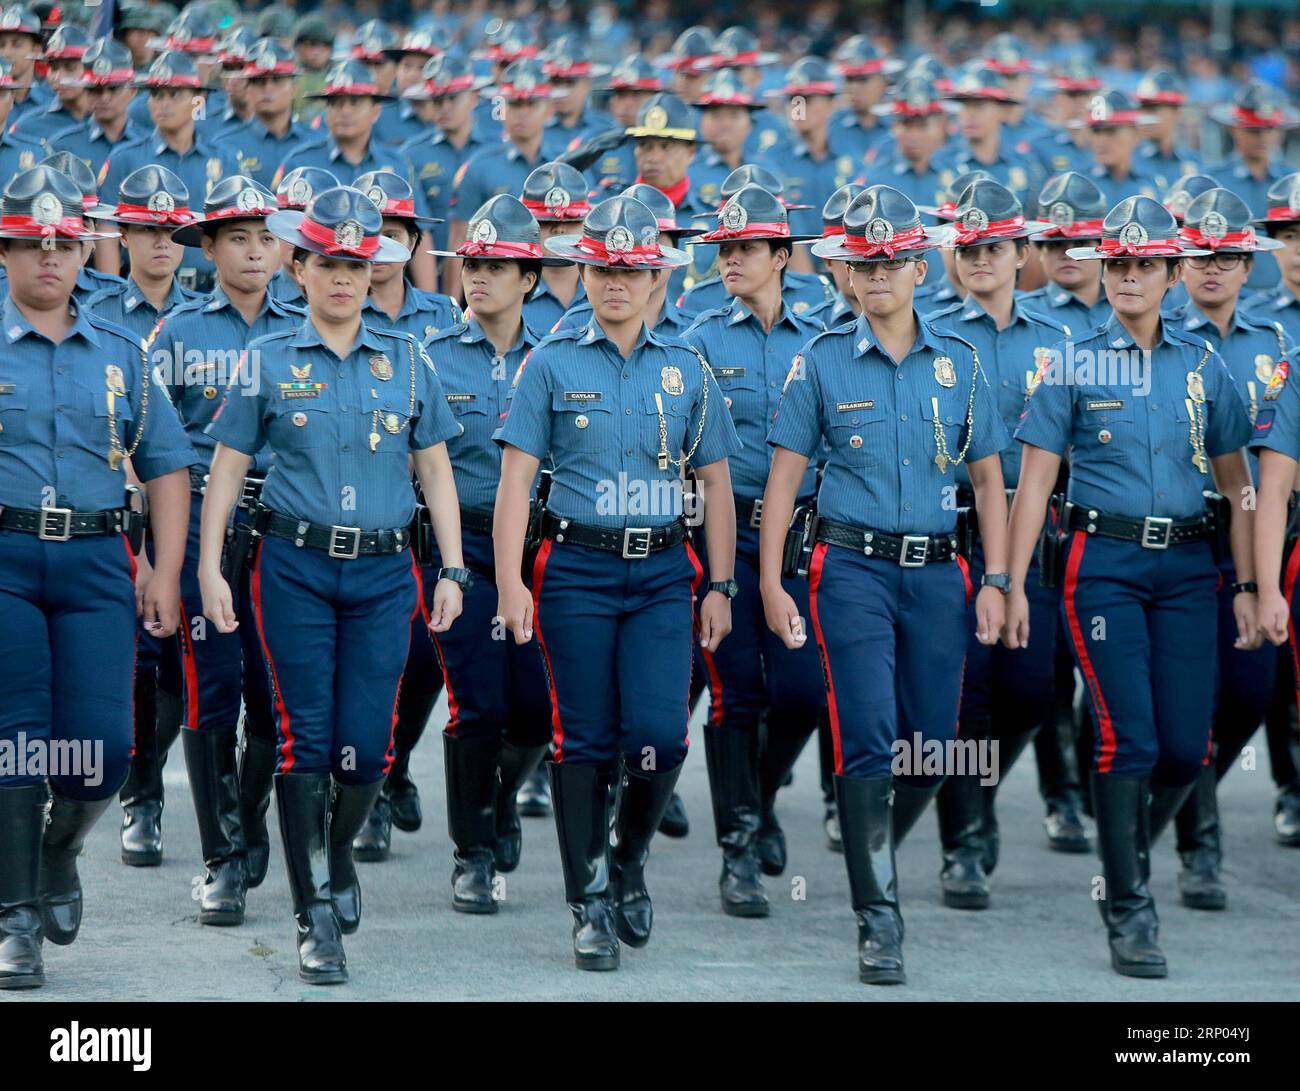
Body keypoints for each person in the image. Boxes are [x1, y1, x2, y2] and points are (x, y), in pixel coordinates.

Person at [200, 185, 465, 984]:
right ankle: (312, 907)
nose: (344, 276)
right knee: (303, 737)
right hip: (296, 567)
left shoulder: (410, 359)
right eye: (328, 262)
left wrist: (451, 567)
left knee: (367, 748)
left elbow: (437, 471)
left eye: (358, 262)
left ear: (375, 267)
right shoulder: (268, 359)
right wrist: (212, 567)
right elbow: (227, 467)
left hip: (387, 570)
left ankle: (337, 850)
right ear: (300, 268)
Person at [761, 184, 1010, 984]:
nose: (878, 274)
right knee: (867, 731)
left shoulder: (961, 362)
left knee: (933, 746)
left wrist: (999, 578)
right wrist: (770, 580)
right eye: (863, 262)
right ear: (847, 271)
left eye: (893, 260)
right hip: (851, 569)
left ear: (919, 263)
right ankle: (879, 918)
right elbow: (783, 481)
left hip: (939, 571)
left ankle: (877, 861)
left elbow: (991, 482)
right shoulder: (822, 359)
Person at [1007, 195, 1255, 977]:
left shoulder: (1203, 363)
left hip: (1187, 567)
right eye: (1118, 264)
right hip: (1102, 564)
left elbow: (1237, 479)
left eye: (1146, 264)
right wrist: (1007, 583)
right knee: (1130, 737)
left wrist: (1249, 583)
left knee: (1188, 746)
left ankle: (1123, 855)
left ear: (1174, 273)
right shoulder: (1072, 362)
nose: (1129, 277)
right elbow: (1032, 487)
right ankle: (1130, 908)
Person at [494, 194, 740, 971]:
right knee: (586, 738)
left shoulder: (687, 366)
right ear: (586, 271)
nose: (615, 284)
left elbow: (718, 484)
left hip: (666, 569)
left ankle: (629, 855)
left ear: (657, 279)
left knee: (660, 736)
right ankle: (588, 901)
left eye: (631, 271)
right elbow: (513, 484)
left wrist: (722, 584)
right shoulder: (551, 363)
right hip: (577, 570)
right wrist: (508, 583)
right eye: (602, 268)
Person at [0, 165, 194, 991]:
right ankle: (13, 920)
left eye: (63, 245)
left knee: (103, 752)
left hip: (95, 561)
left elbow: (168, 466)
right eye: (29, 244)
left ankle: (58, 850)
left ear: (86, 251)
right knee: (15, 736)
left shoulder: (122, 351)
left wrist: (165, 567)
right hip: (3, 559)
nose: (48, 258)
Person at [157, 174, 305, 918]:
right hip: (200, 525)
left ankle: (249, 826)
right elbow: (147, 441)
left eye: (267, 237)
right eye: (237, 238)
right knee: (210, 680)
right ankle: (221, 854)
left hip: (284, 526)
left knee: (271, 696)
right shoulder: (180, 332)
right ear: (208, 246)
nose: (254, 251)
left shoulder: (308, 324)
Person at [920, 179, 1068, 909]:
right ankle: (965, 839)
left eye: (994, 248)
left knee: (1033, 689)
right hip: (953, 528)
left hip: (1032, 527)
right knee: (967, 691)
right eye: (967, 247)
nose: (979, 258)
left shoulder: (1061, 339)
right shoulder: (929, 330)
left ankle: (979, 784)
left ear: (1021, 254)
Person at [412, 194, 562, 906]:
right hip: (458, 544)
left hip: (538, 548)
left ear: (529, 277)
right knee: (478, 699)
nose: (480, 275)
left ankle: (502, 794)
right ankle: (472, 852)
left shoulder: (560, 353)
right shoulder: (431, 357)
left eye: (497, 265)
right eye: (473, 262)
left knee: (535, 706)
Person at [681, 184, 825, 914]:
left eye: (745, 249)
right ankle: (737, 844)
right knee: (736, 687)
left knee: (802, 692)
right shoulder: (701, 334)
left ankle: (761, 798)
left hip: (805, 531)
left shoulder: (828, 326)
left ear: (781, 255)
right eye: (724, 250)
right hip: (725, 529)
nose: (731, 259)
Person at [1164, 187, 1287, 909]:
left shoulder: (1275, 345)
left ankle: (1192, 783)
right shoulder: (1155, 331)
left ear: (1248, 266)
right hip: (1184, 533)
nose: (1212, 267)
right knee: (1193, 692)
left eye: (1228, 256)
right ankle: (1198, 841)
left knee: (1251, 686)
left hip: (1256, 531)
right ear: (1179, 262)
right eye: (1201, 255)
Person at [82, 165, 200, 869]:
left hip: (191, 501)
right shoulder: (97, 315)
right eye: (146, 228)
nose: (159, 241)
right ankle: (142, 796)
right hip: (124, 506)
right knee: (138, 657)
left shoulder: (205, 314)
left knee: (185, 663)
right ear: (122, 234)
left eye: (170, 230)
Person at [282, 59, 437, 292]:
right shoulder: (300, 162)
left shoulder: (396, 164)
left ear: (375, 111)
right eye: (336, 103)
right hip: (316, 290)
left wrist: (428, 297)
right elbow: (283, 235)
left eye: (354, 103)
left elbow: (418, 231)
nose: (344, 111)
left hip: (383, 289)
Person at [98, 51, 242, 291]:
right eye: (156, 95)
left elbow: (233, 229)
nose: (163, 104)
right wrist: (111, 290)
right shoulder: (126, 157)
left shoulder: (224, 158)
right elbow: (109, 230)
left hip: (209, 289)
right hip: (142, 290)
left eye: (173, 94)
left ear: (198, 100)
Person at [445, 57, 558, 297]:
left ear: (549, 109)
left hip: (557, 288)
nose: (522, 113)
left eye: (532, 104)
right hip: (497, 289)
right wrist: (453, 304)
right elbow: (459, 238)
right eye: (515, 104)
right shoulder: (479, 166)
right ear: (502, 108)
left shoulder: (563, 165)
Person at [399, 54, 494, 255]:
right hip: (430, 268)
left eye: (453, 98)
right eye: (437, 100)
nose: (445, 108)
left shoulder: (495, 150)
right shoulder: (411, 154)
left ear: (474, 97)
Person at [1209, 80, 1298, 294]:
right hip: (1231, 298)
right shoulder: (1214, 183)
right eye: (1254, 130)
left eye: (1269, 130)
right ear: (1234, 129)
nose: (1263, 138)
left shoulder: (1294, 183)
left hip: (1287, 297)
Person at [356, 169, 461, 342]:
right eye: (367, 234)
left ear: (411, 243)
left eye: (390, 236)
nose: (378, 247)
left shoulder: (445, 313)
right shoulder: (336, 311)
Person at [224, 39, 316, 190]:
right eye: (259, 82)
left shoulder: (315, 143)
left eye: (277, 80)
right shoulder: (226, 146)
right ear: (247, 89)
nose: (267, 89)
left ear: (294, 88)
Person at [45, 40, 141, 176]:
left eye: (113, 88)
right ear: (86, 91)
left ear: (133, 91)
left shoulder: (146, 145)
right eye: (95, 90)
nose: (104, 97)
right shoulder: (63, 148)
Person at [519, 160, 590, 331]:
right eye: (545, 221)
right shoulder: (507, 294)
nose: (559, 228)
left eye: (571, 220)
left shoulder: (608, 291)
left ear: (586, 224)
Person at [1073, 90, 1161, 208]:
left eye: (1111, 131)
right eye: (1096, 131)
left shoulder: (1152, 183)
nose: (1101, 141)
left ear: (1136, 134)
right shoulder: (1077, 186)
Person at [268, 166, 339, 304]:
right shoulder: (258, 295)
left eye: (310, 222)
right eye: (289, 220)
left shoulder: (354, 294)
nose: (298, 231)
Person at [829, 35, 902, 166]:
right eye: (849, 79)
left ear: (884, 82)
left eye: (863, 79)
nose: (853, 88)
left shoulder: (901, 127)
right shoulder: (829, 127)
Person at [11, 23, 88, 145]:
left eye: (70, 67)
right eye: (54, 68)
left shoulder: (111, 122)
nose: (58, 77)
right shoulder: (28, 126)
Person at [540, 35, 613, 160]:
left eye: (570, 83)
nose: (561, 92)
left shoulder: (607, 130)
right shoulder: (534, 130)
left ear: (588, 83)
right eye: (555, 82)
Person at [1134, 70, 1198, 194]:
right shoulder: (1127, 163)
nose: (1145, 117)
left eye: (1153, 109)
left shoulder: (1195, 164)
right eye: (1142, 108)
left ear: (1177, 112)